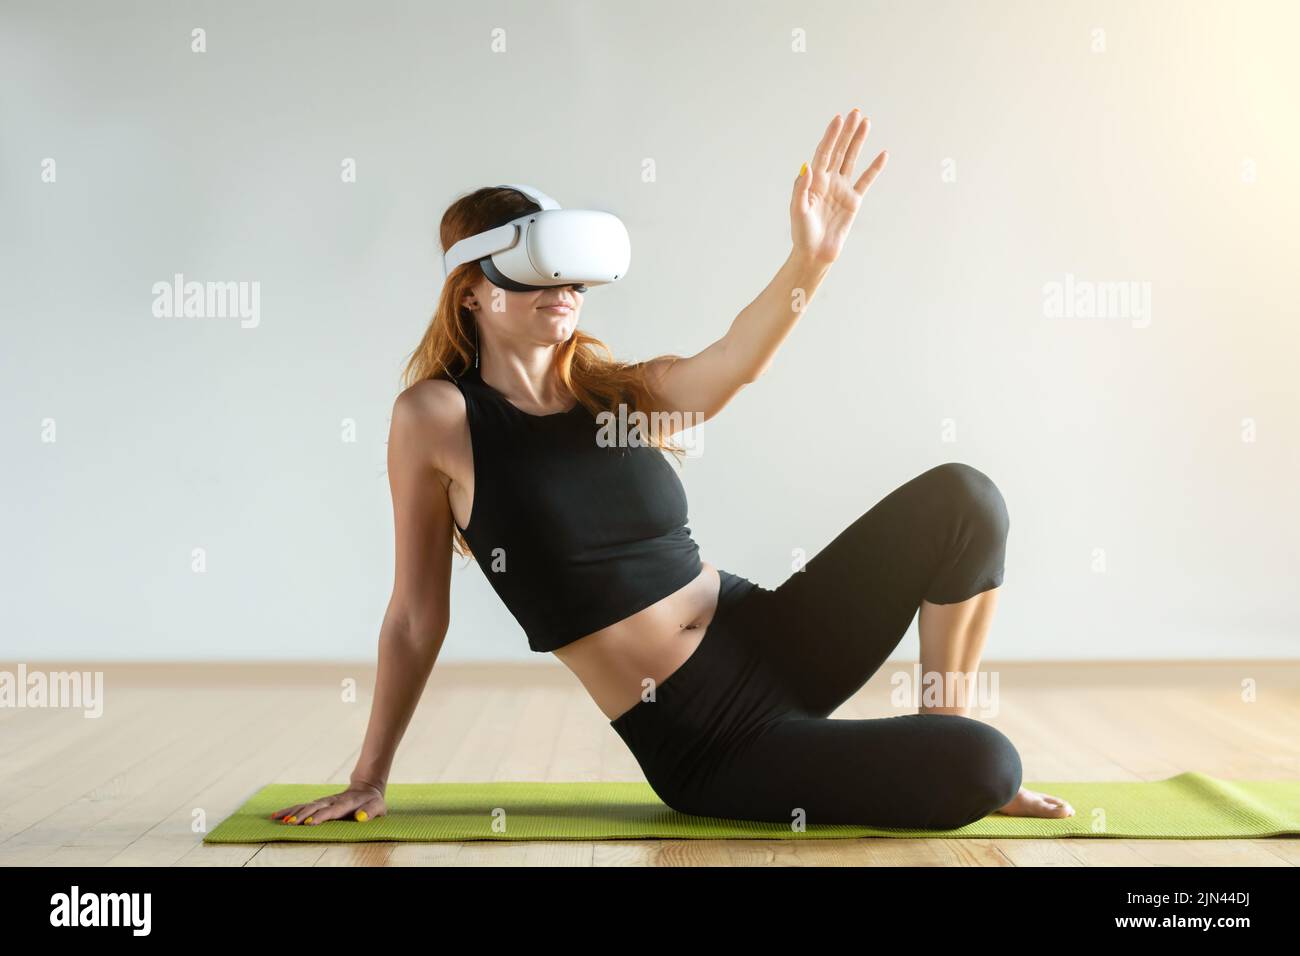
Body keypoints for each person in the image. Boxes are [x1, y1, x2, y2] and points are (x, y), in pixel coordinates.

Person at [273, 108, 1074, 830]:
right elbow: (416, 614)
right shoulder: (437, 418)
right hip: (709, 736)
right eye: (534, 267)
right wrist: (370, 777)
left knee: (964, 500)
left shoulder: (611, 392)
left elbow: (733, 363)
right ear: (473, 293)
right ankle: (961, 753)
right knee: (986, 764)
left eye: (569, 269)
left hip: (773, 637)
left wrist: (811, 260)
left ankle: (949, 718)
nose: (564, 288)